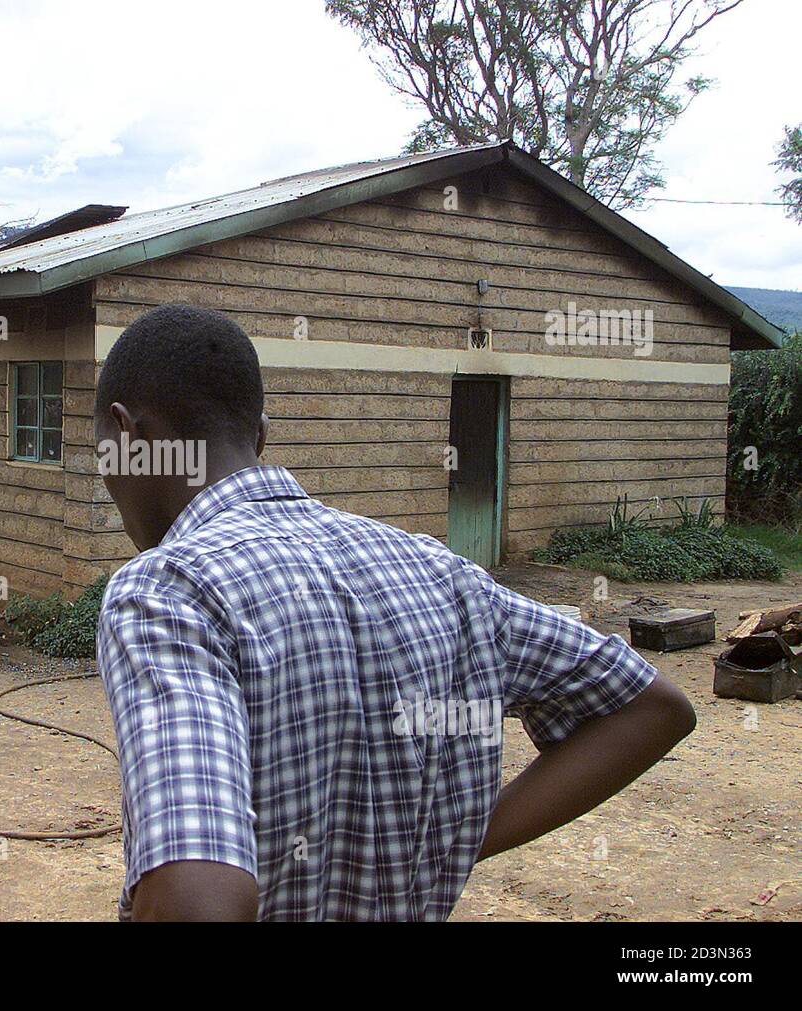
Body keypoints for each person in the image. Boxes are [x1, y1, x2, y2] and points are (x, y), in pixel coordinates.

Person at [94, 304, 695, 922]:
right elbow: (652, 707)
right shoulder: (442, 574)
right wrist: (456, 840)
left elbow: (198, 903)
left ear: (127, 436)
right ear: (262, 436)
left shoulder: (168, 594)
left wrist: (455, 839)